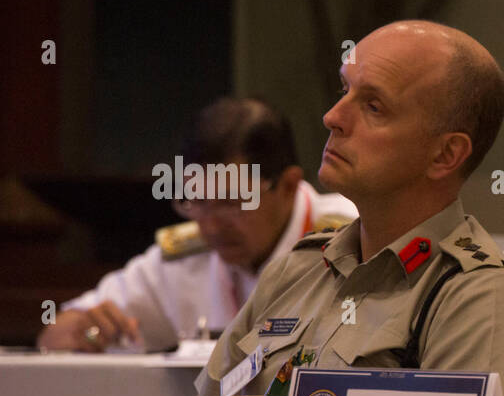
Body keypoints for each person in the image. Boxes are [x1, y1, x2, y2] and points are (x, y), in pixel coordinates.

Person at [166, 21, 504, 396]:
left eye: (373, 106)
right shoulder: (295, 271)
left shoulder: (478, 299)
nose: (333, 117)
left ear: (445, 154)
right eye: (343, 90)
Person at [38, 98, 357, 353]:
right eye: (196, 201)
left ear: (288, 186)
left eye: (232, 202)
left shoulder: (355, 239)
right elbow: (56, 332)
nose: (211, 225)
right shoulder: (186, 258)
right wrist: (84, 332)